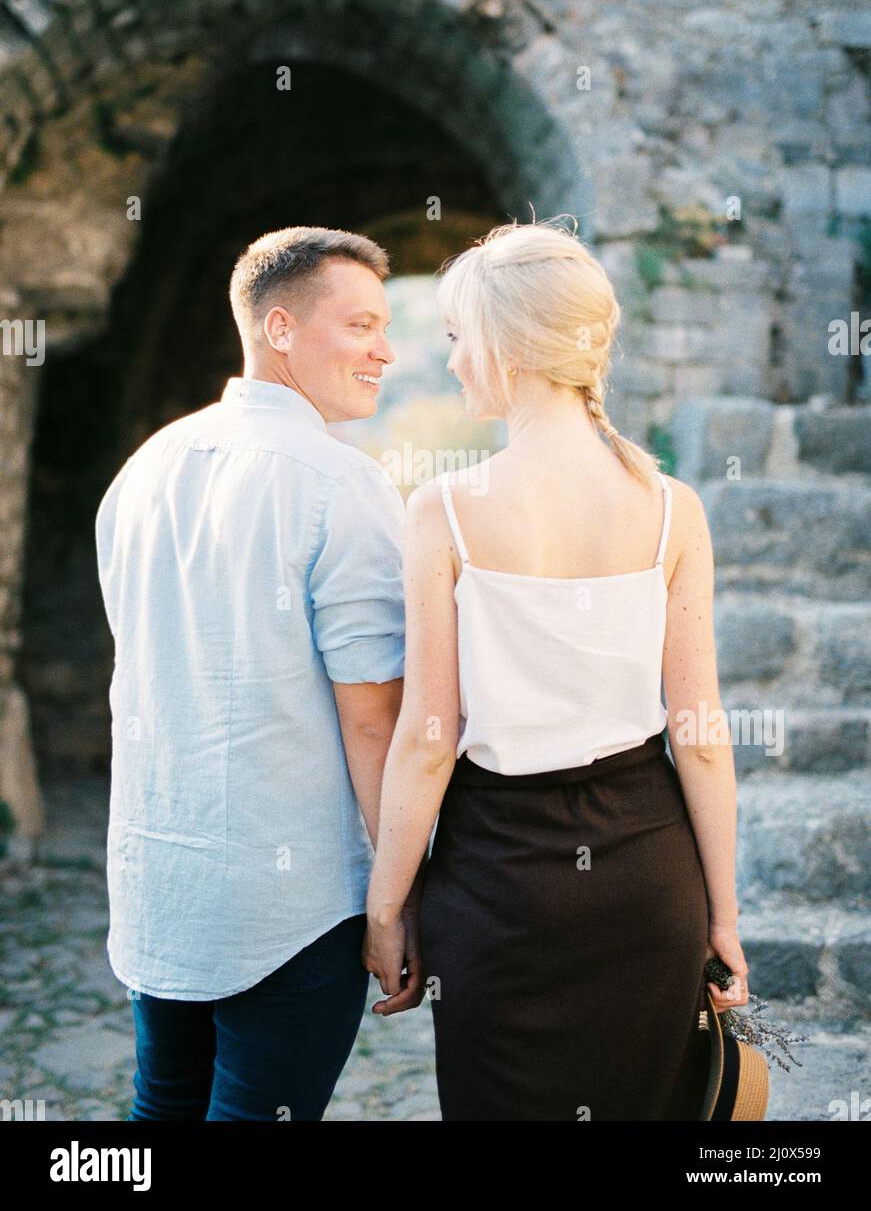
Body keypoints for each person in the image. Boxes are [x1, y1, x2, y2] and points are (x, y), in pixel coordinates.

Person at [364, 219, 749, 1121]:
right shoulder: (670, 509)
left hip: (500, 887)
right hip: (646, 882)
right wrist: (721, 920)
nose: (453, 361)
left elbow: (428, 742)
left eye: (460, 340)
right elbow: (698, 739)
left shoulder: (445, 512)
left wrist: (387, 908)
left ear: (505, 346)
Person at [95, 225, 422, 1121]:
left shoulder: (144, 468)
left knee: (159, 1111)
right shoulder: (341, 484)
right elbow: (370, 720)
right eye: (359, 325)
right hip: (293, 904)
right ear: (279, 329)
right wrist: (394, 900)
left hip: (162, 876)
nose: (385, 349)